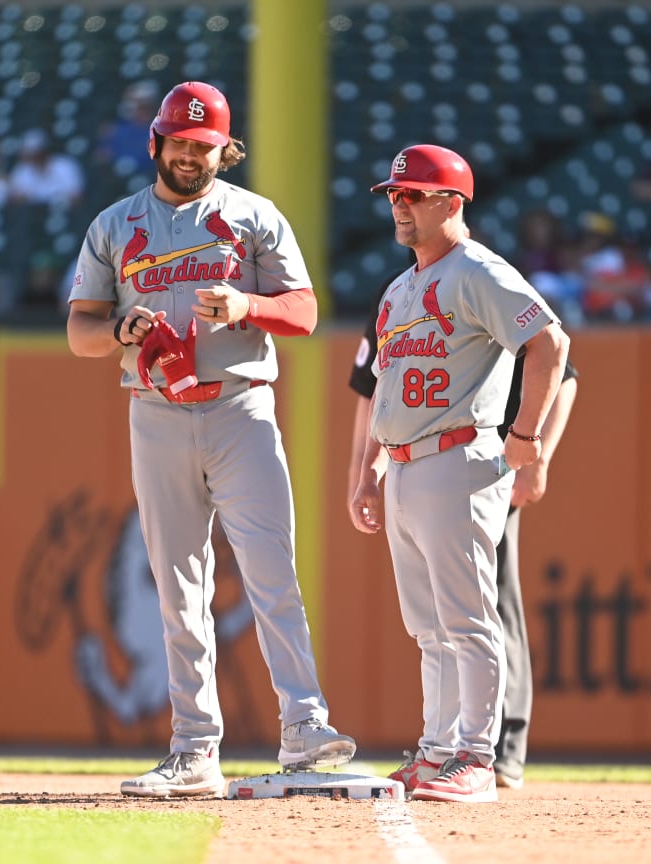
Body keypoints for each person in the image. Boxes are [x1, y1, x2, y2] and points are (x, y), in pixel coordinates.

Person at [66, 81, 356, 798]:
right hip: (156, 410)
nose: (192, 155)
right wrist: (120, 331)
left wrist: (248, 302)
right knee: (177, 587)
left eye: (205, 145)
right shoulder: (115, 224)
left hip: (240, 408)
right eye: (180, 142)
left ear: (225, 149)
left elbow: (304, 310)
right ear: (156, 142)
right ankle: (194, 748)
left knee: (271, 572)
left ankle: (304, 725)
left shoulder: (252, 217)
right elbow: (81, 332)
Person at [350, 144, 570, 803]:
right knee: (429, 627)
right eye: (393, 194)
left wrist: (527, 435)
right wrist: (367, 473)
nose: (398, 204)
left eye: (411, 194)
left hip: (460, 458)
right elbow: (383, 390)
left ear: (452, 202)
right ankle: (438, 749)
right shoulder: (399, 287)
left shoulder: (478, 270)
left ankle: (477, 755)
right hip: (408, 466)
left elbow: (551, 342)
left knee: (468, 620)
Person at [10, 128, 85, 209]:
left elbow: (77, 197)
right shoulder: (22, 169)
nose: (32, 156)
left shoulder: (64, 165)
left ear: (43, 151)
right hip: (31, 215)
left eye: (35, 152)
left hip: (63, 211)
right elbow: (15, 199)